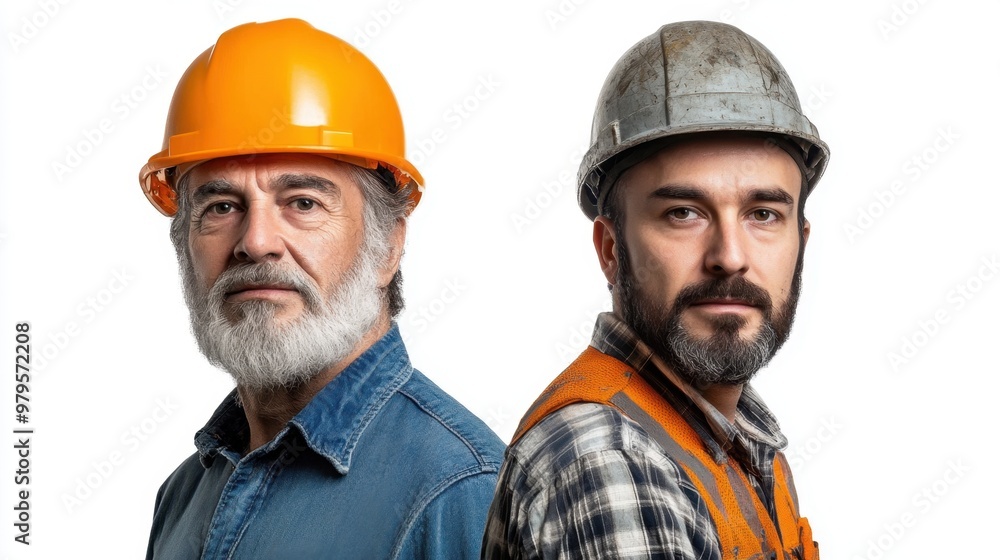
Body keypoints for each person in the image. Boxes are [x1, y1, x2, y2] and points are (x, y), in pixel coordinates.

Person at [138, 19, 504, 559]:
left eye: (303, 202)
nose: (256, 242)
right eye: (220, 207)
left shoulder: (460, 493)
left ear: (387, 246)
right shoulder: (185, 492)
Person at [482, 21, 827, 559]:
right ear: (611, 248)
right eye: (683, 213)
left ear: (799, 241)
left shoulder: (743, 444)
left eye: (763, 214)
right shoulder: (610, 459)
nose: (730, 256)